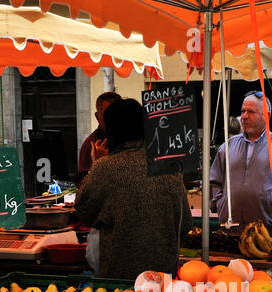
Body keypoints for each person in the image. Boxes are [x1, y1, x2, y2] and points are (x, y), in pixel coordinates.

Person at [75, 98, 191, 278]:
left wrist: (95, 166)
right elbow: (185, 225)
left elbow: (84, 211)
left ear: (112, 130)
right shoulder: (169, 165)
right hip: (164, 279)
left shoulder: (105, 167)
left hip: (119, 280)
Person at [209, 91, 272, 234]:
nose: (244, 116)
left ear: (267, 116)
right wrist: (220, 205)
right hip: (230, 230)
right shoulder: (227, 146)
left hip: (268, 233)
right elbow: (214, 182)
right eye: (243, 111)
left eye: (250, 112)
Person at [77, 91, 119, 182]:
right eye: (107, 115)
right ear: (97, 117)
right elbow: (82, 186)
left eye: (117, 114)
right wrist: (98, 165)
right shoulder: (90, 145)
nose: (113, 119)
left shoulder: (131, 140)